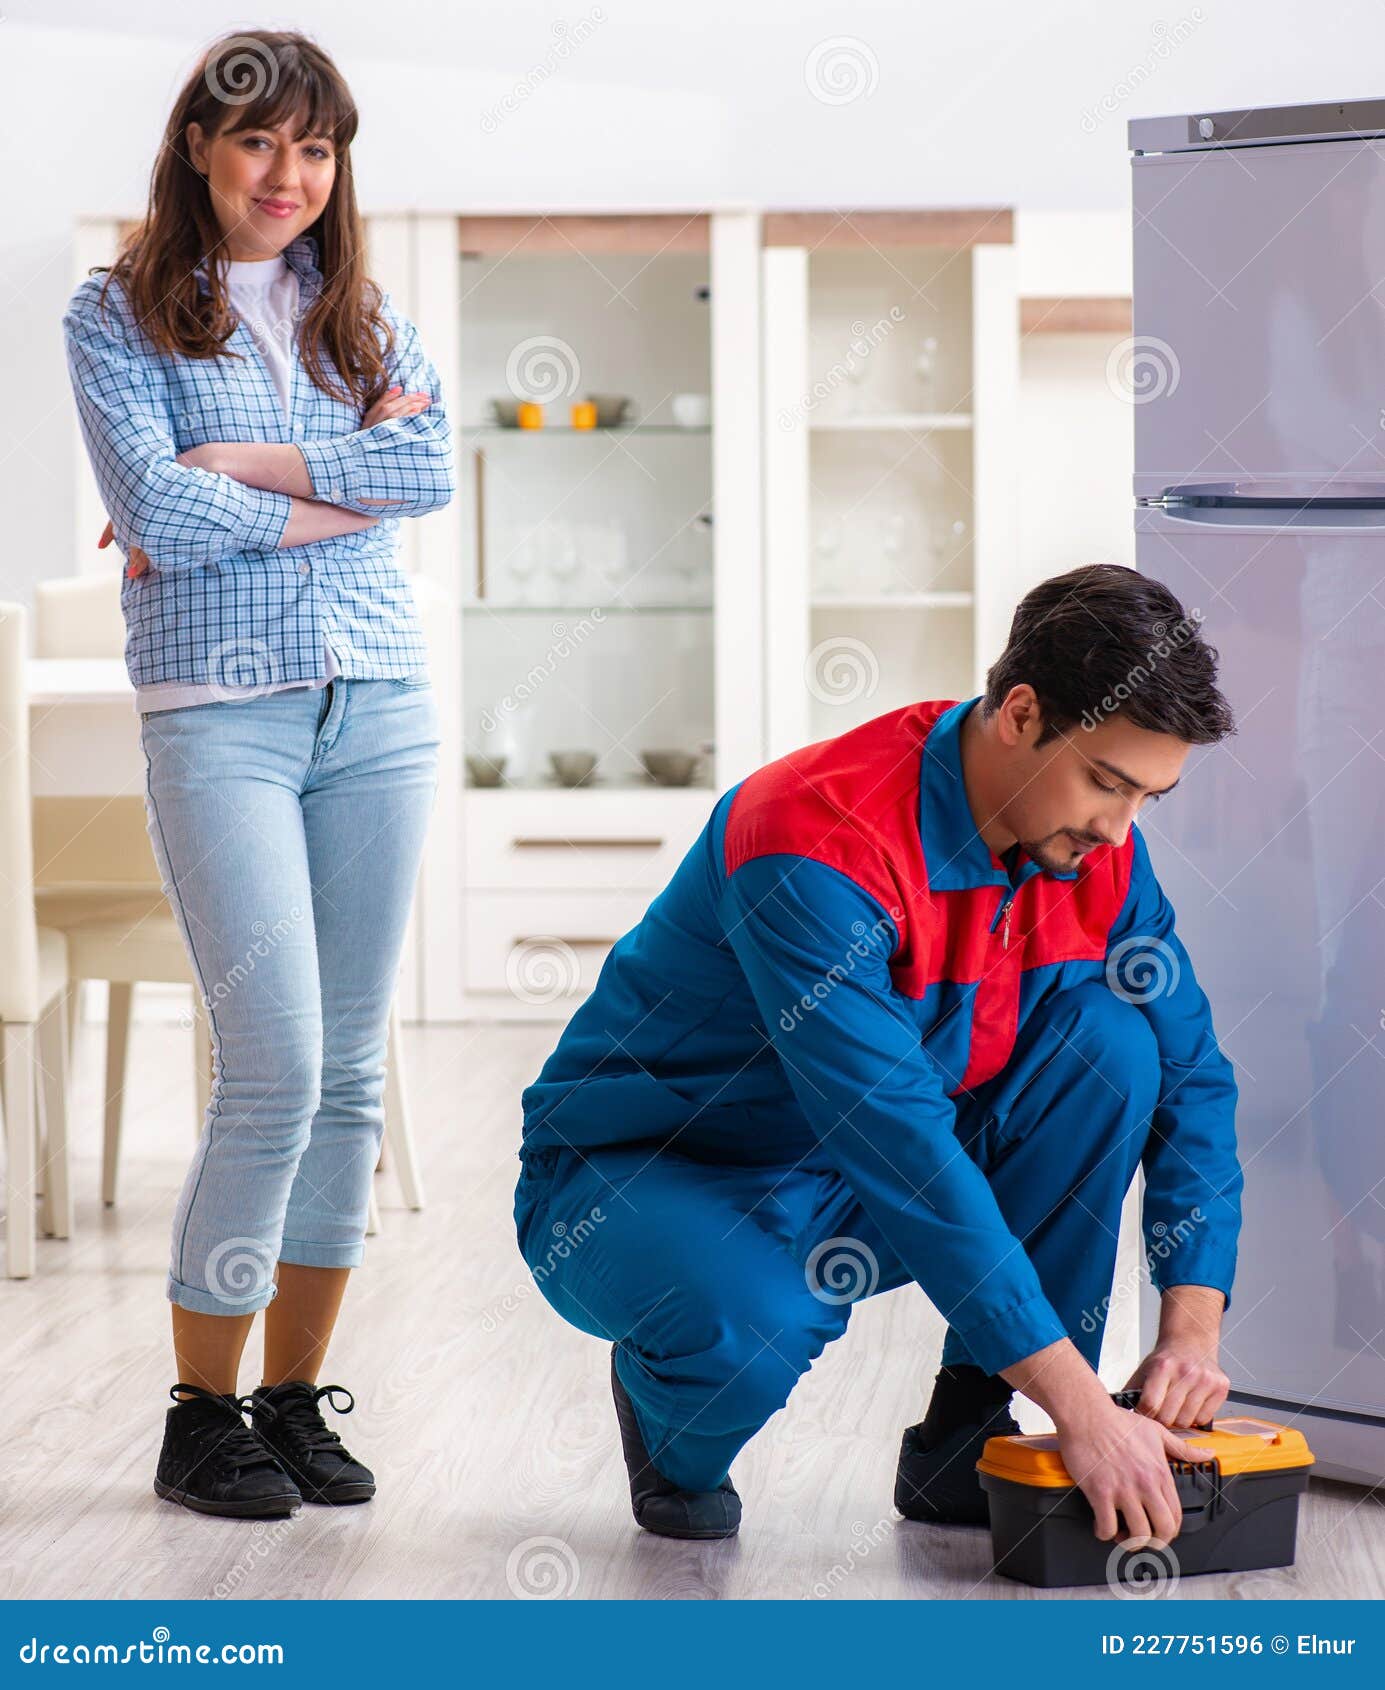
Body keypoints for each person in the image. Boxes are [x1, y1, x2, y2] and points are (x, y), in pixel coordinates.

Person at [515, 562, 1243, 1549]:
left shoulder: (1092, 847)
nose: (1117, 828)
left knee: (1110, 1045)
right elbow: (898, 1145)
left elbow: (1190, 1075)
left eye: (1145, 798)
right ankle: (667, 1407)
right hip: (653, 1172)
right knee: (753, 1323)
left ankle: (969, 1431)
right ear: (1020, 713)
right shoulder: (811, 840)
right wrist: (1084, 1407)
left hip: (872, 1162)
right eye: (1105, 782)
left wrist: (1189, 1335)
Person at [61, 30, 453, 1519]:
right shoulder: (114, 313)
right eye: (256, 145)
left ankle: (290, 1399)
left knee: (347, 1075)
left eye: (316, 149)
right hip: (218, 712)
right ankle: (199, 1411)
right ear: (198, 154)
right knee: (274, 1064)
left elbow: (430, 474)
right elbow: (146, 493)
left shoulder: (356, 309)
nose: (288, 177)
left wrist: (237, 473)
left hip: (381, 705)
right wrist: (321, 480)